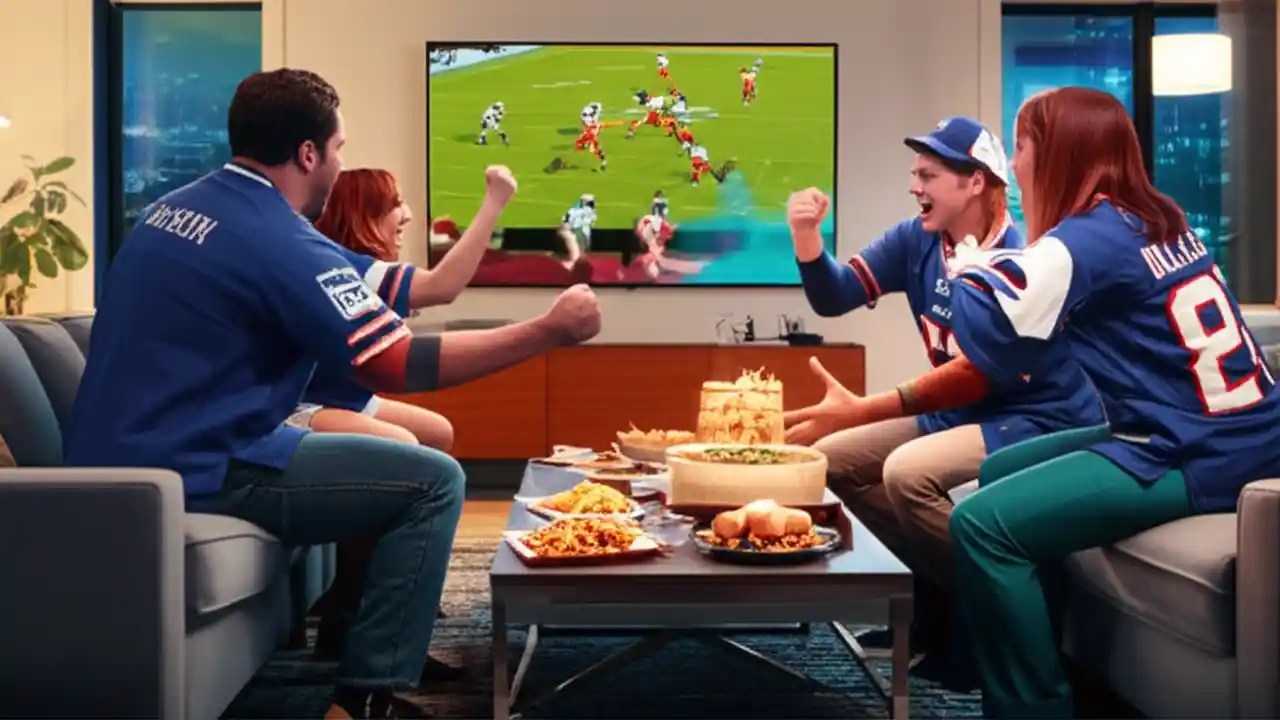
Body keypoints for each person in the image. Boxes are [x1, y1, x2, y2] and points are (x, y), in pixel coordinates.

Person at [63, 68, 602, 720]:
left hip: (129, 450)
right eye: (339, 148)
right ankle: (364, 698)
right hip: (200, 461)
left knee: (405, 451)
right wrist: (547, 331)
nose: (342, 164)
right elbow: (396, 363)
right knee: (433, 481)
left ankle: (350, 634)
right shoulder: (280, 239)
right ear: (309, 153)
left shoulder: (169, 210)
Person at [790, 86, 1280, 718]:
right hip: (1219, 427)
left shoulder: (1078, 241)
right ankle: (1017, 622)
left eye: (1022, 146)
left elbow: (991, 336)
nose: (1015, 163)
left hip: (1192, 448)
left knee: (980, 523)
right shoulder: (1158, 217)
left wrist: (968, 267)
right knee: (995, 478)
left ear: (1057, 154)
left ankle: (1034, 703)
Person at [786, 116, 1105, 680]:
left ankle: (998, 608)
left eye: (928, 174)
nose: (915, 186)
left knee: (909, 476)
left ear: (975, 183)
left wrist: (866, 406)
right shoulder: (918, 239)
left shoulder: (1028, 249)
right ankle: (942, 594)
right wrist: (807, 240)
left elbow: (983, 375)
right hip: (961, 411)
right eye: (915, 173)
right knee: (831, 460)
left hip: (1034, 413)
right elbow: (834, 297)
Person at [298, 166, 503, 672]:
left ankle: (374, 579)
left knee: (437, 434)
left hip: (339, 395)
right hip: (307, 404)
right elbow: (441, 291)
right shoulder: (342, 269)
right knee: (404, 453)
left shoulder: (353, 264)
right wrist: (495, 201)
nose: (407, 214)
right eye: (396, 204)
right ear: (364, 214)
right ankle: (354, 617)